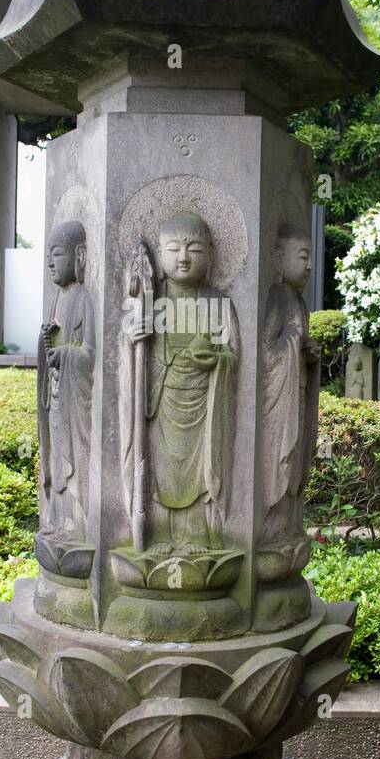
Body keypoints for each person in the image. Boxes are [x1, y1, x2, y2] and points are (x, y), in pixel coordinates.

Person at [123, 212, 237, 555]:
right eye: (173, 249)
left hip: (203, 409)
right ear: (160, 255)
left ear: (211, 254)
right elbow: (126, 362)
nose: (184, 257)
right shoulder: (149, 304)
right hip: (158, 406)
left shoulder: (218, 304)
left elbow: (231, 354)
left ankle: (197, 539)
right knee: (158, 474)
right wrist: (131, 341)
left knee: (201, 475)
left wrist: (218, 361)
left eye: (194, 249)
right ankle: (157, 537)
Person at [262, 222, 321, 539]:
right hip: (278, 402)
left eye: (310, 257)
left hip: (295, 396)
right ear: (279, 258)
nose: (309, 265)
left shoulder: (297, 302)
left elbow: (289, 345)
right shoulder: (278, 298)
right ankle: (273, 529)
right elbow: (266, 353)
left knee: (295, 460)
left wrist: (307, 353)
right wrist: (293, 340)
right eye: (302, 256)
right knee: (279, 461)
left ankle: (288, 526)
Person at [37, 220, 95, 539]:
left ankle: (77, 527)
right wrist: (45, 341)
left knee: (75, 463)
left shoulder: (84, 297)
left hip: (75, 400)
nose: (50, 263)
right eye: (48, 255)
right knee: (58, 462)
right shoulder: (57, 299)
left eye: (57, 255)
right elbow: (49, 349)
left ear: (79, 257)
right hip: (58, 398)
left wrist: (67, 355)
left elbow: (91, 352)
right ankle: (59, 522)